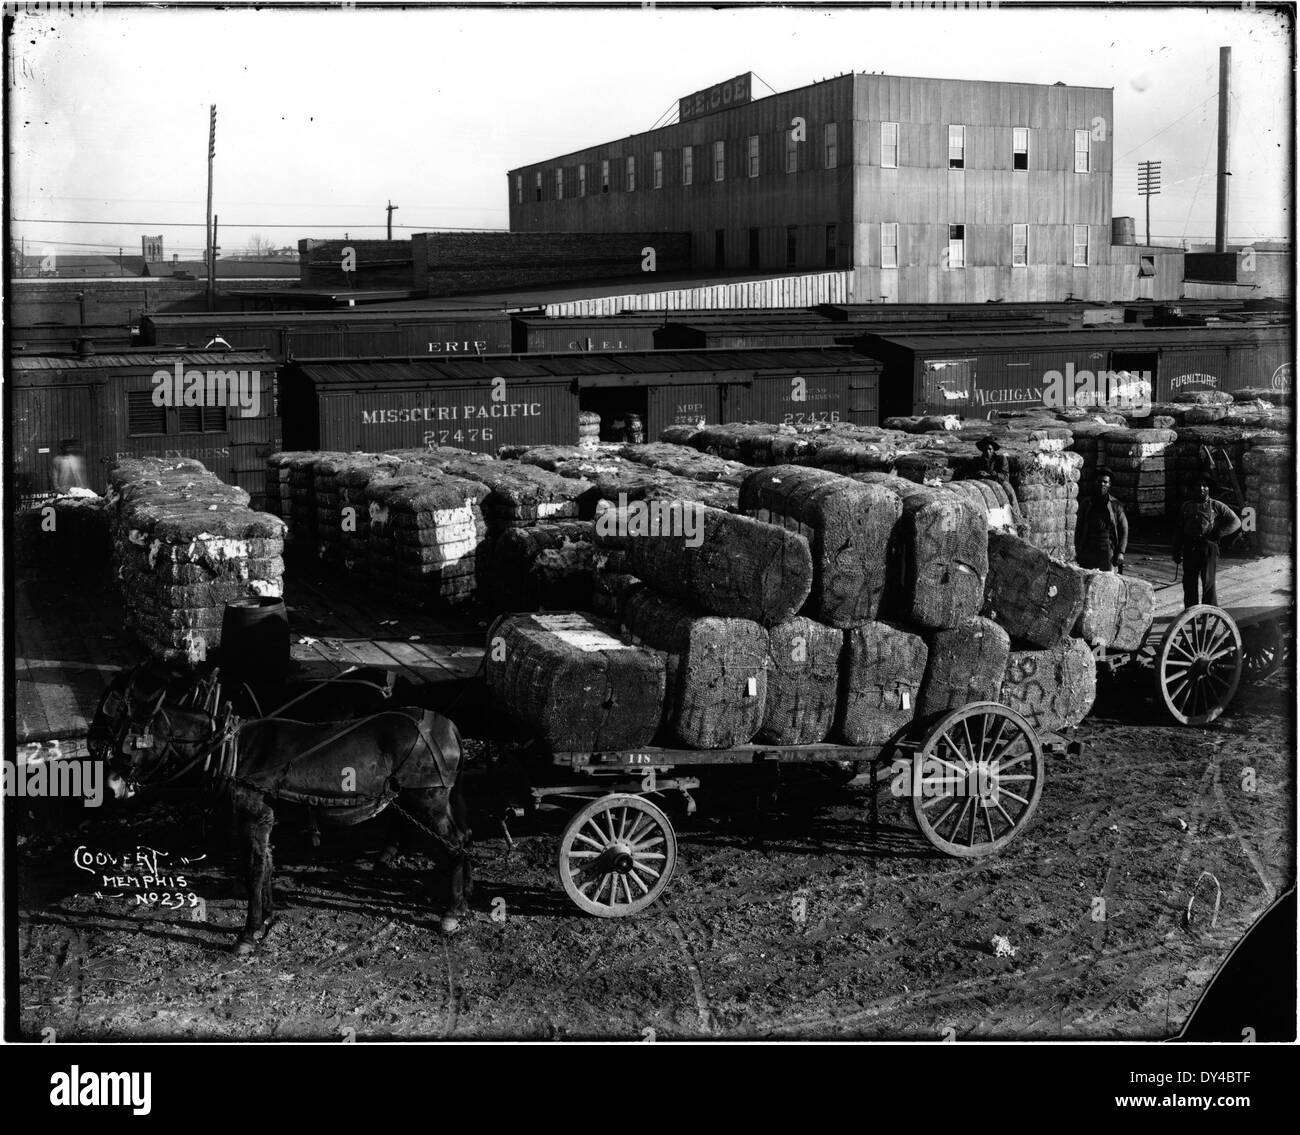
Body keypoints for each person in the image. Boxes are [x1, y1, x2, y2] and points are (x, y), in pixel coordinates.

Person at [1175, 472, 1241, 609]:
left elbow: (1236, 522)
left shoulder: (1216, 506)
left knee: (1208, 581)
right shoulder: (1185, 507)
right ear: (1193, 488)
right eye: (1198, 485)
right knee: (1189, 582)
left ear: (1209, 488)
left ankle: (1209, 611)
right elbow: (1179, 529)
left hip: (1208, 548)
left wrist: (1218, 533)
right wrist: (1176, 550)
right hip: (1189, 548)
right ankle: (1191, 611)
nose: (1201, 488)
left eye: (1205, 485)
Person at [1074, 466, 1128, 572]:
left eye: (1105, 482)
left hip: (1107, 550)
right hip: (1089, 549)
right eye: (1099, 481)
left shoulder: (1116, 506)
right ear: (1095, 482)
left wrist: (1121, 552)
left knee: (1109, 581)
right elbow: (1079, 528)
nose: (1102, 484)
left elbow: (1124, 530)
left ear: (1109, 484)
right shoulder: (1086, 504)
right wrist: (1078, 550)